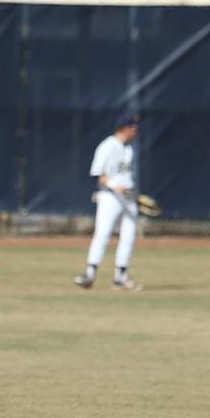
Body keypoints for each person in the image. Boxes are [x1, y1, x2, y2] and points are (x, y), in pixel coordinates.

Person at [77, 113, 144, 292]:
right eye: (134, 128)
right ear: (125, 128)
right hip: (110, 197)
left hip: (128, 197)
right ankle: (90, 274)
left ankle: (121, 277)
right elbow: (97, 174)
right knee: (103, 234)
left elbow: (126, 176)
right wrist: (115, 186)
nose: (136, 132)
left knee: (129, 236)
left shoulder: (129, 149)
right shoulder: (107, 146)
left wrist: (133, 194)